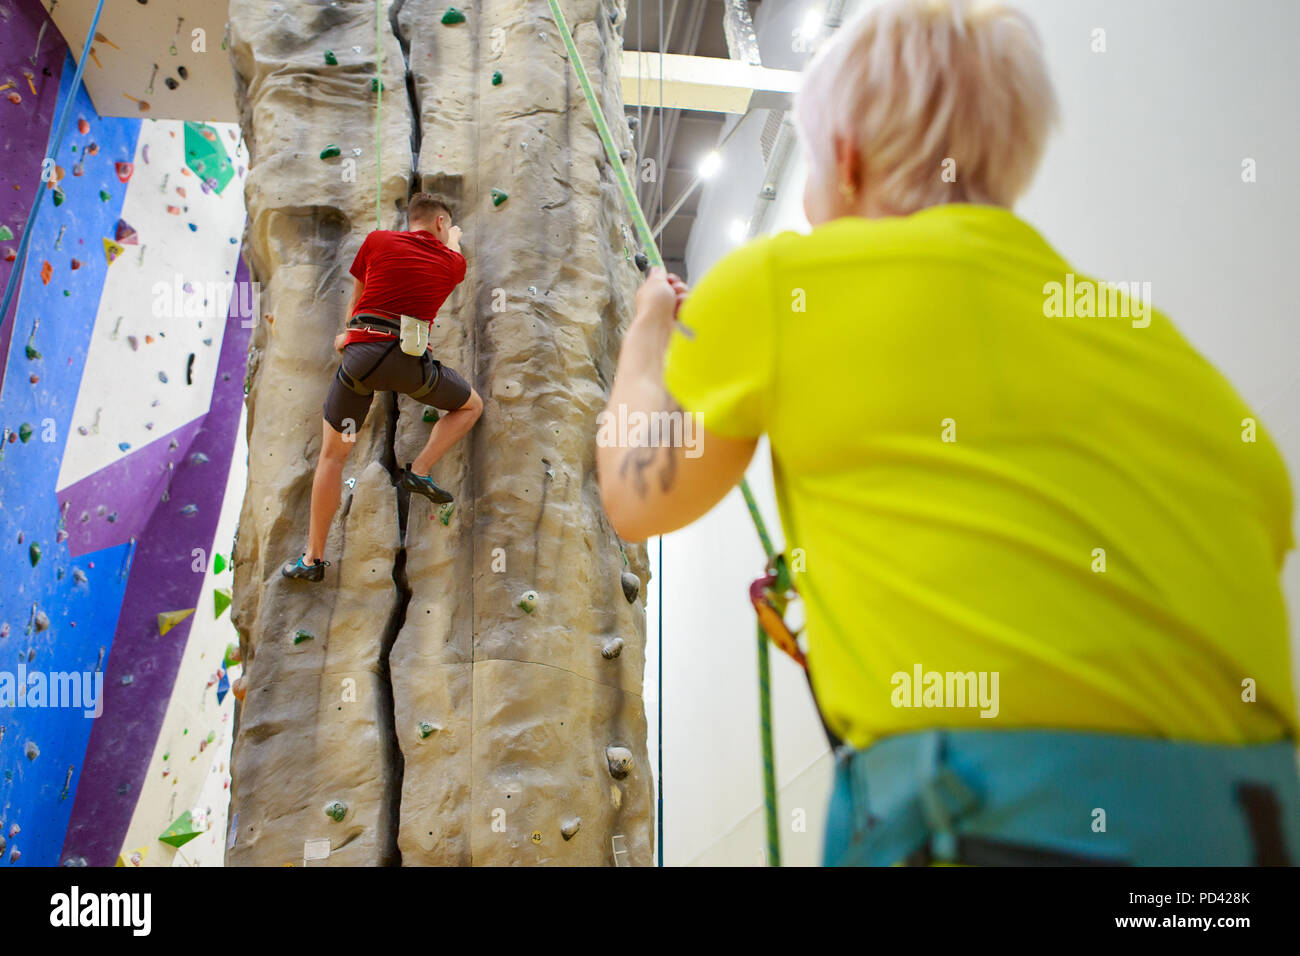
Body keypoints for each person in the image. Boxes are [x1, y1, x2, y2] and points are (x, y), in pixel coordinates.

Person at [597, 0, 1300, 865]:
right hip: (1254, 836)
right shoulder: (1164, 352)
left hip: (992, 829)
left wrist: (646, 331)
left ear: (846, 159)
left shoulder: (785, 285)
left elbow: (633, 497)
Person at [283, 193, 483, 582]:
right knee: (470, 406)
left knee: (332, 458)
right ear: (441, 224)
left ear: (412, 219)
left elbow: (358, 297)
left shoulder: (376, 241)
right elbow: (455, 252)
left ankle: (312, 559)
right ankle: (420, 469)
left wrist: (347, 336)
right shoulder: (453, 261)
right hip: (411, 369)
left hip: (362, 364)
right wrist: (455, 238)